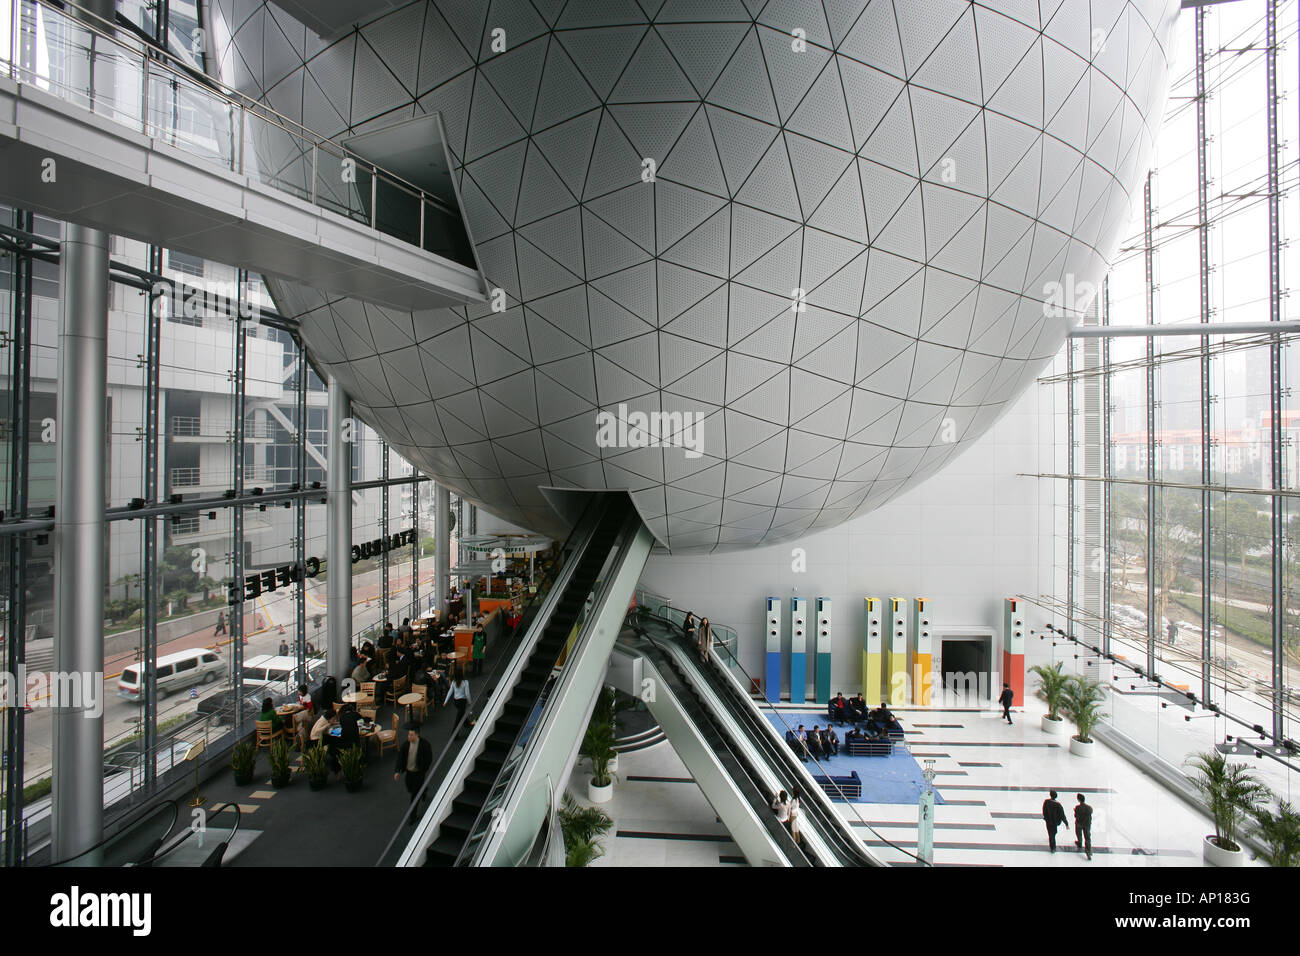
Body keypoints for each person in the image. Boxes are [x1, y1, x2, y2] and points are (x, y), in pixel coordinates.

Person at [394, 723, 433, 809]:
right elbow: (400, 757)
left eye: (411, 735)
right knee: (410, 788)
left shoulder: (424, 745)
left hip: (419, 773)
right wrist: (397, 771)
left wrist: (424, 769)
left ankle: (412, 815)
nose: (409, 736)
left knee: (414, 794)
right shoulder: (406, 745)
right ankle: (423, 790)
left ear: (417, 735)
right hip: (409, 772)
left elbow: (429, 759)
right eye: (408, 734)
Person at [1073, 794, 1093, 860]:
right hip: (1087, 824)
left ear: (1078, 800)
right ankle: (1088, 851)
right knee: (1087, 838)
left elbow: (1076, 816)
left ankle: (1079, 843)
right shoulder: (1089, 807)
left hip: (1079, 824)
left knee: (1079, 834)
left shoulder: (1077, 807)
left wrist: (1075, 811)